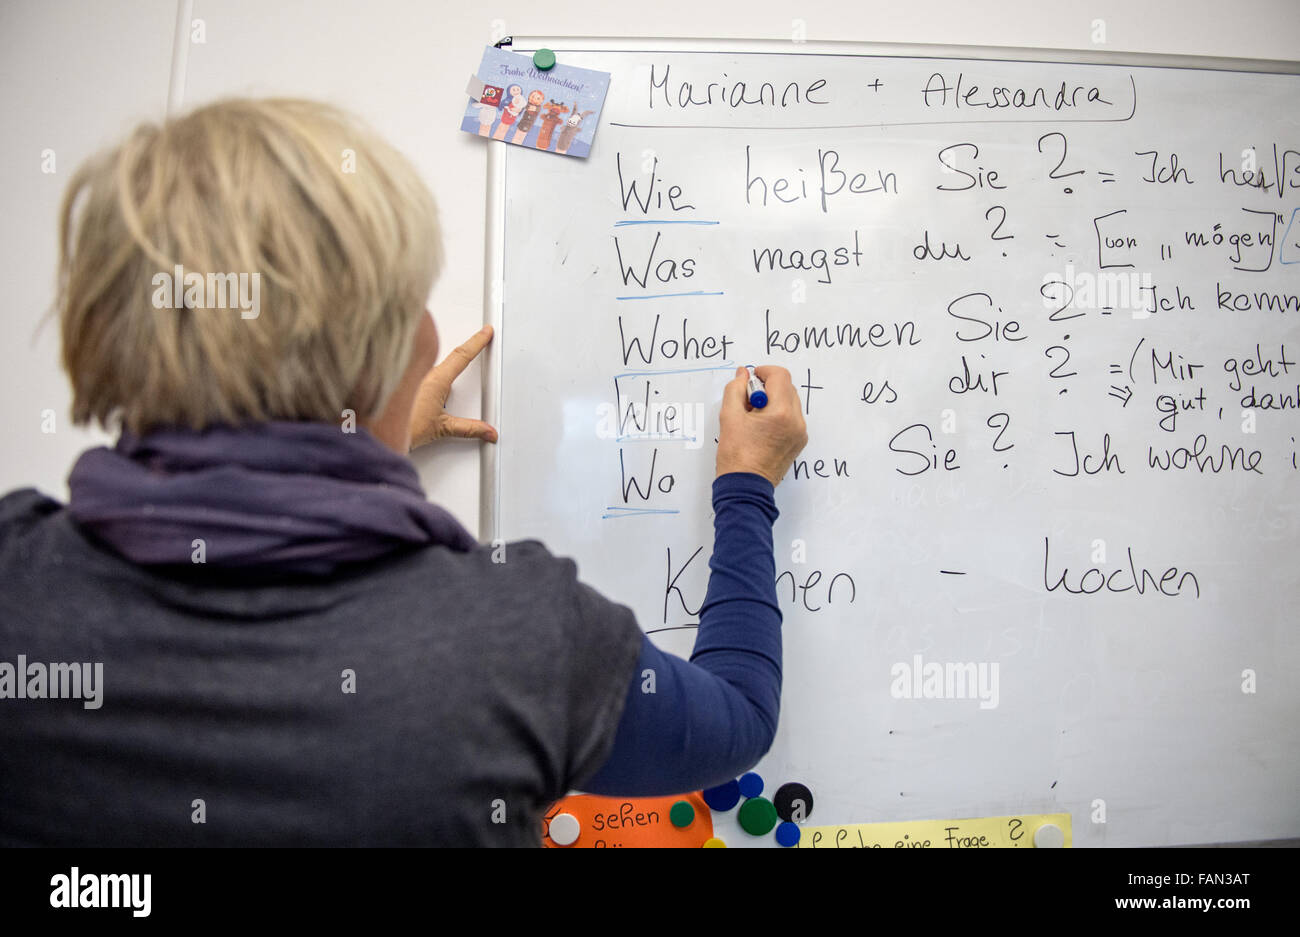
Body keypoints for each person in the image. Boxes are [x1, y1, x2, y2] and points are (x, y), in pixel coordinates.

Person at [0, 98, 807, 846]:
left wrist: (365, 440)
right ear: (402, 349)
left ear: (98, 335)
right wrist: (748, 486)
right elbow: (736, 715)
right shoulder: (523, 640)